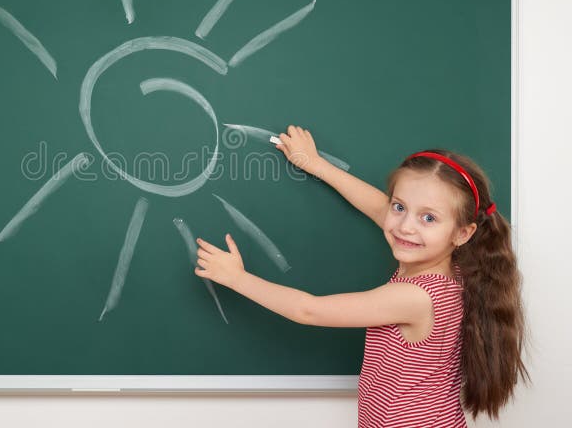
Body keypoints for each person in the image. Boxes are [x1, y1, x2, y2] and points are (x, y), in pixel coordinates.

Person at [195, 125, 527, 426]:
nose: (406, 226)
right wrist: (315, 164)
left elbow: (308, 310)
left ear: (462, 233)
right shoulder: (453, 270)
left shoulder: (414, 297)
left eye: (428, 218)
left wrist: (237, 278)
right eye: (400, 207)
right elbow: (380, 207)